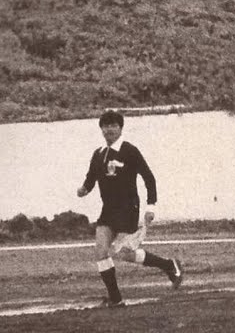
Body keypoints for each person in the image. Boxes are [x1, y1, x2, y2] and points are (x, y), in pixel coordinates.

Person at [75, 109, 182, 307]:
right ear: (101, 129)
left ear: (120, 128)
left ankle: (168, 265)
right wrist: (83, 190)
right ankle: (116, 299)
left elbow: (149, 177)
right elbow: (90, 180)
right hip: (108, 210)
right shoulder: (98, 154)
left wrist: (151, 206)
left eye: (114, 125)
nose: (109, 129)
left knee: (123, 253)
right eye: (106, 126)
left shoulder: (129, 150)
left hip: (128, 209)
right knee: (100, 251)